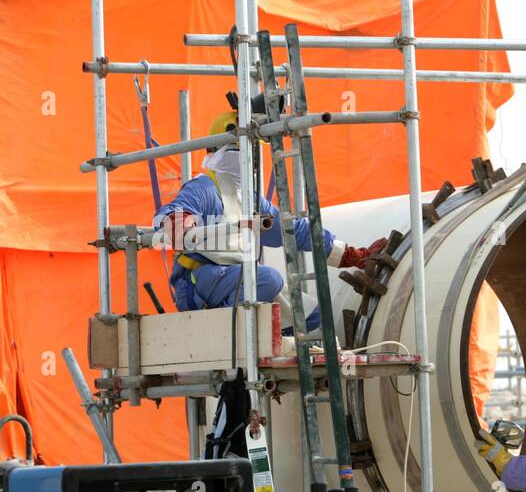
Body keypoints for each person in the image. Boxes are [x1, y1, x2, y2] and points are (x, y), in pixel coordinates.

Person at [156, 105, 388, 330]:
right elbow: (172, 213)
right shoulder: (204, 187)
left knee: (309, 316)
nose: (243, 157)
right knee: (269, 279)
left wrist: (349, 255)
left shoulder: (250, 197)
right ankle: (225, 331)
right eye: (236, 149)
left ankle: (260, 335)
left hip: (238, 280)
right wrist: (179, 220)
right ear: (216, 151)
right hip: (200, 280)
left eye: (246, 150)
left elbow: (293, 231)